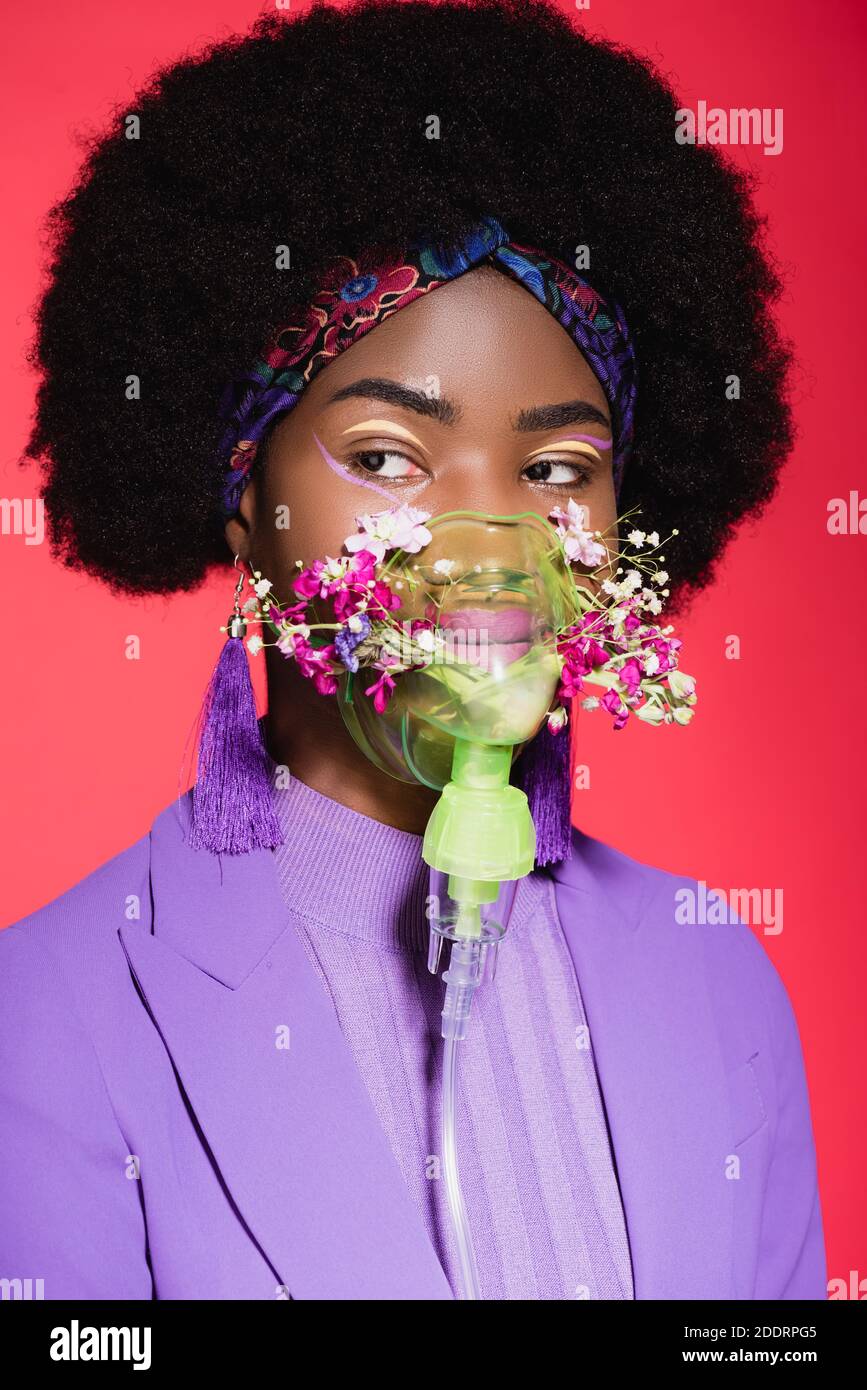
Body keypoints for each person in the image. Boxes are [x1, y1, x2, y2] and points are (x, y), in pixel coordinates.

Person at [0, 0, 825, 1300]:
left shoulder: (716, 973)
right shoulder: (44, 1016)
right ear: (245, 504)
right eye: (387, 456)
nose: (486, 538)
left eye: (556, 466)